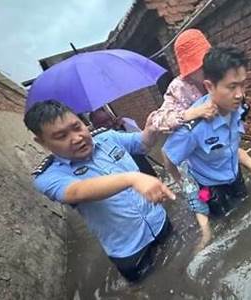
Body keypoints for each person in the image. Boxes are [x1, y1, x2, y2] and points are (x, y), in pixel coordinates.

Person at [24, 100, 175, 282]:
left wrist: (151, 130)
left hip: (159, 222)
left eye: (77, 127)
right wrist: (132, 178)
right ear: (42, 142)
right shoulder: (48, 177)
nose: (77, 138)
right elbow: (77, 191)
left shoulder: (108, 138)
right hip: (131, 250)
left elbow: (141, 144)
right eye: (61, 136)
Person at [162, 46, 251, 248]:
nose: (239, 94)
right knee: (224, 225)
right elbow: (168, 157)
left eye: (243, 85)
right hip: (209, 188)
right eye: (232, 87)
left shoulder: (239, 109)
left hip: (235, 175)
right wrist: (184, 184)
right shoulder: (193, 129)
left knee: (246, 205)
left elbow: (235, 150)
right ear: (209, 86)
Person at [146, 28, 217, 133]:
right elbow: (158, 121)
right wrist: (193, 113)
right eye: (200, 66)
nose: (207, 69)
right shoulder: (179, 87)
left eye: (208, 62)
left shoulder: (220, 72)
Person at [89, 107, 157, 177]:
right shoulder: (100, 144)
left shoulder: (121, 127)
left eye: (109, 119)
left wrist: (124, 126)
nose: (109, 123)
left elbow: (142, 140)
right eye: (103, 123)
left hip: (146, 170)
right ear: (95, 127)